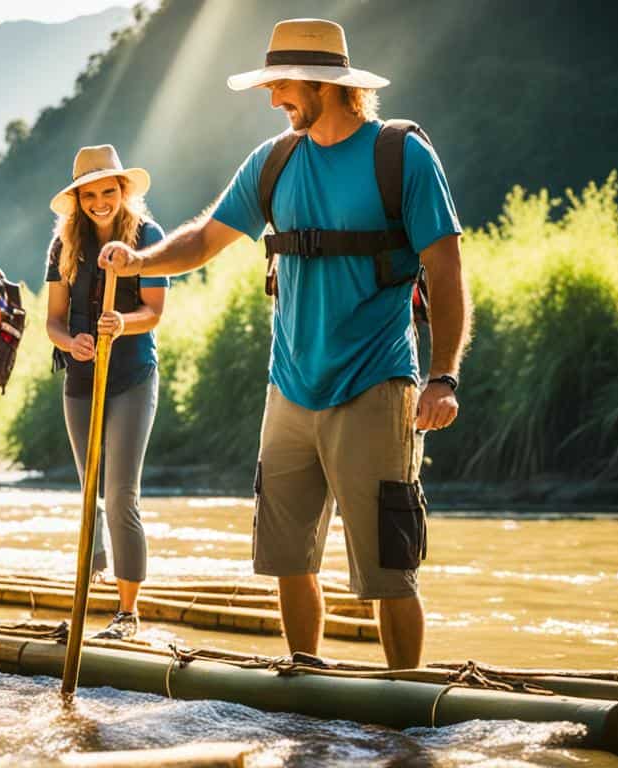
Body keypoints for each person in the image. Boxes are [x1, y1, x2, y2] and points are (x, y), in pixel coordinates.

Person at [99, 19, 471, 669]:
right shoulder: (273, 161)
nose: (274, 99)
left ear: (326, 84)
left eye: (282, 86)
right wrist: (138, 262)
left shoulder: (402, 155)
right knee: (288, 560)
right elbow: (202, 239)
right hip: (288, 390)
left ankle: (405, 704)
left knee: (390, 565)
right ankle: (306, 684)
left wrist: (442, 377)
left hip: (376, 383)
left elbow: (445, 269)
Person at [45, 145, 168, 640]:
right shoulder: (63, 246)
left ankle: (127, 614)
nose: (100, 201)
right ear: (78, 199)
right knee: (89, 492)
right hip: (80, 381)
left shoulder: (147, 237)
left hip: (133, 378)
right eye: (90, 194)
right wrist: (69, 341)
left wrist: (123, 323)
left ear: (123, 191)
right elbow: (52, 322)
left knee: (119, 494)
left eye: (108, 191)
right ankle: (83, 603)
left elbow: (155, 313)